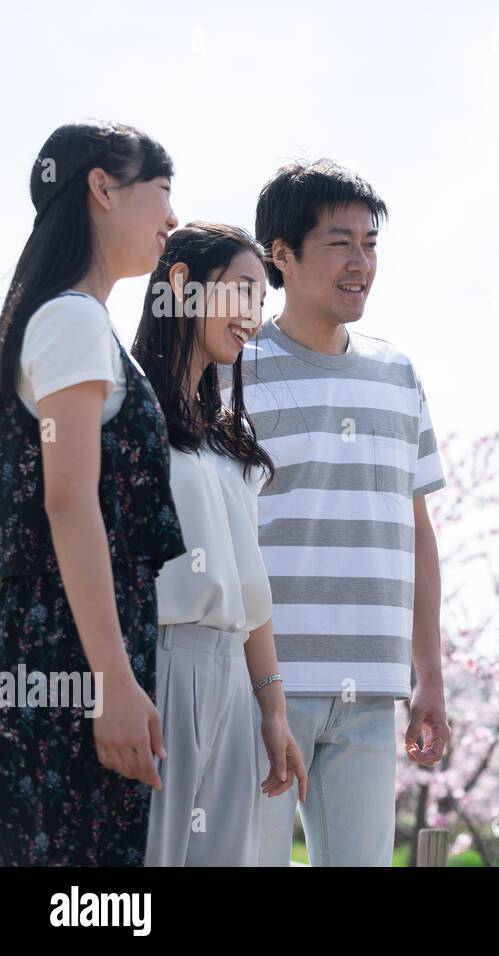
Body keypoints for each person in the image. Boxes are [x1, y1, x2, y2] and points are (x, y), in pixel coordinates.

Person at [219, 159, 450, 867]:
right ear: (279, 255)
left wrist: (429, 677)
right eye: (340, 242)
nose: (361, 263)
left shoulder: (398, 373)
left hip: (370, 690)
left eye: (370, 243)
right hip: (261, 689)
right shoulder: (233, 367)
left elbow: (416, 533)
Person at [0, 121, 186, 865]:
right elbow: (68, 498)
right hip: (71, 665)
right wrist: (110, 678)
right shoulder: (73, 321)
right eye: (164, 191)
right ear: (102, 189)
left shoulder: (69, 321)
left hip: (66, 654)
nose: (174, 218)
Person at [134, 222, 308, 866]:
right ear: (181, 285)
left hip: (232, 677)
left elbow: (249, 587)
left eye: (262, 302)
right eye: (242, 293)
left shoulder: (228, 440)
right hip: (155, 666)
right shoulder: (125, 413)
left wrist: (273, 709)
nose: (254, 319)